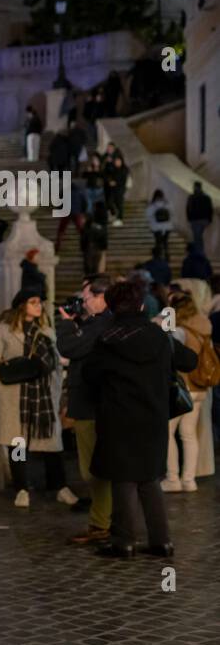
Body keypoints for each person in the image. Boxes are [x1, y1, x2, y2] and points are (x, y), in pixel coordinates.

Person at [83, 279, 198, 557]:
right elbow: (190, 360)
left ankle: (124, 541)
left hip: (119, 419)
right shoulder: (158, 337)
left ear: (111, 307)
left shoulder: (108, 339)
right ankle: (162, 541)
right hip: (154, 416)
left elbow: (90, 376)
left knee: (123, 478)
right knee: (149, 479)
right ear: (142, 305)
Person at [0, 290, 78, 509]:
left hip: (43, 397)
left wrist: (55, 390)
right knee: (18, 446)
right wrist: (0, 386)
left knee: (52, 445)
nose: (39, 306)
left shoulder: (46, 330)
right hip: (15, 396)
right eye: (33, 302)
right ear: (22, 306)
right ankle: (22, 488)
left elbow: (54, 363)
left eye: (40, 303)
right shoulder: (5, 330)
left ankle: (60, 487)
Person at [56, 275, 114, 543]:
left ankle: (102, 523)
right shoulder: (101, 323)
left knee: (93, 469)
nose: (84, 302)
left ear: (102, 297)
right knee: (96, 467)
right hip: (97, 403)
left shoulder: (101, 324)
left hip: (91, 405)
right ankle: (103, 520)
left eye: (87, 297)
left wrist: (67, 325)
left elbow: (69, 347)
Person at [162, 291, 213, 492]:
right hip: (201, 387)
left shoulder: (180, 331)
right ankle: (189, 480)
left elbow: (168, 346)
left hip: (182, 387)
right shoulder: (204, 324)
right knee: (189, 434)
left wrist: (167, 312)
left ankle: (172, 479)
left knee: (168, 432)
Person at [147, 189, 174, 262]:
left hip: (156, 227)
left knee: (158, 242)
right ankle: (167, 256)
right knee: (165, 242)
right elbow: (172, 213)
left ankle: (158, 257)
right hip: (167, 227)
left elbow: (148, 215)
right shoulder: (167, 204)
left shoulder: (153, 205)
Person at [185, 181, 213, 250]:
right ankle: (200, 252)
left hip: (196, 220)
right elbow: (210, 209)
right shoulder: (206, 197)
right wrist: (209, 219)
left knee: (197, 237)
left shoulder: (192, 197)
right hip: (201, 219)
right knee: (198, 236)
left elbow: (188, 209)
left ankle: (199, 252)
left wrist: (189, 219)